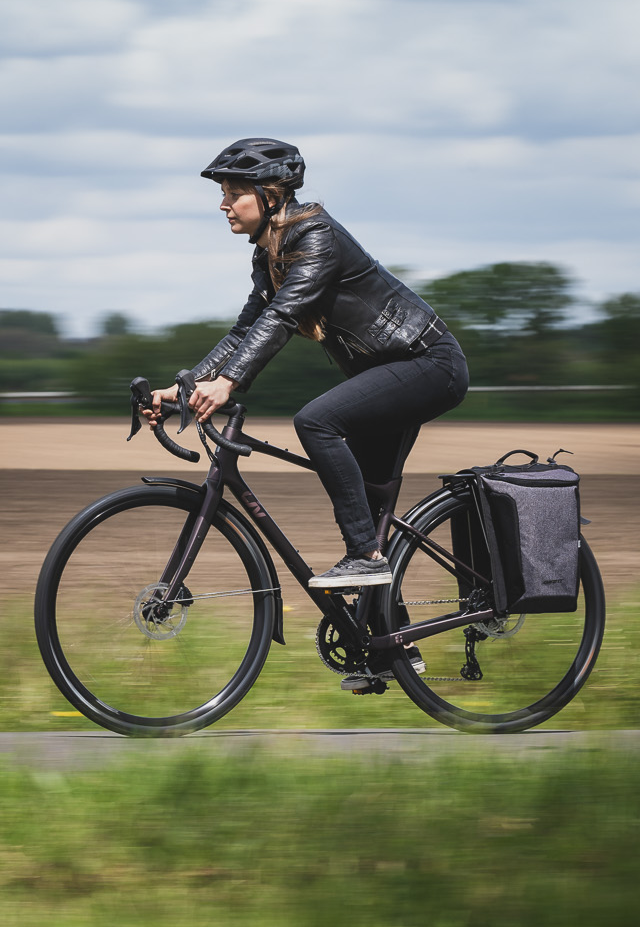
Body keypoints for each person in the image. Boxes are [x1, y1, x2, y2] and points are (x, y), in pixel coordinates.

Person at [146, 137, 469, 589]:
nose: (223, 205)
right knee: (371, 510)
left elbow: (284, 314)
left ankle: (365, 556)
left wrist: (229, 382)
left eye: (233, 193)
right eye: (222, 194)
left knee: (316, 422)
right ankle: (388, 650)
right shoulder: (269, 250)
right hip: (388, 374)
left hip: (429, 364)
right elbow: (244, 330)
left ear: (271, 194)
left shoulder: (317, 235)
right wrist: (183, 391)